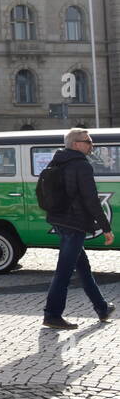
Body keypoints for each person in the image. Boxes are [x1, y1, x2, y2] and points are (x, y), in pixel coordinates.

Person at [42, 129, 116, 329]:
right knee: (64, 271)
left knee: (82, 267)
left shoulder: (58, 160)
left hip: (59, 219)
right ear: (76, 144)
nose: (92, 145)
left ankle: (101, 308)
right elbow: (90, 199)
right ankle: (52, 314)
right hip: (74, 223)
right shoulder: (81, 165)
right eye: (88, 141)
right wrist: (106, 228)